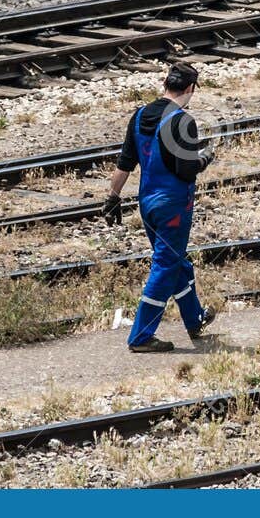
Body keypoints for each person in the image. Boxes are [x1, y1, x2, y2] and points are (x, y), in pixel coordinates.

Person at [104, 63, 217, 352]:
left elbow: (125, 163)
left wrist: (112, 198)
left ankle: (195, 320)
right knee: (166, 265)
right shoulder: (182, 121)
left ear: (164, 84)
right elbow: (186, 170)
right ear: (190, 88)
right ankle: (141, 336)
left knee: (177, 262)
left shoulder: (140, 115)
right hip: (173, 206)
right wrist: (205, 157)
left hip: (148, 205)